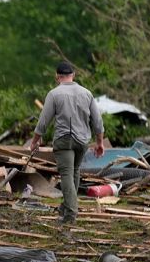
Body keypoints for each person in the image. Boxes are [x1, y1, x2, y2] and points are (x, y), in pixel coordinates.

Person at [28, 61, 108, 225]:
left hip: (64, 140)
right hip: (81, 141)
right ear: (74, 75)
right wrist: (100, 142)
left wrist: (35, 141)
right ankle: (66, 207)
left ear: (57, 76)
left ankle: (71, 214)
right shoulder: (87, 93)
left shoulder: (54, 94)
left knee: (66, 174)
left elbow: (43, 121)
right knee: (74, 172)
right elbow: (98, 122)